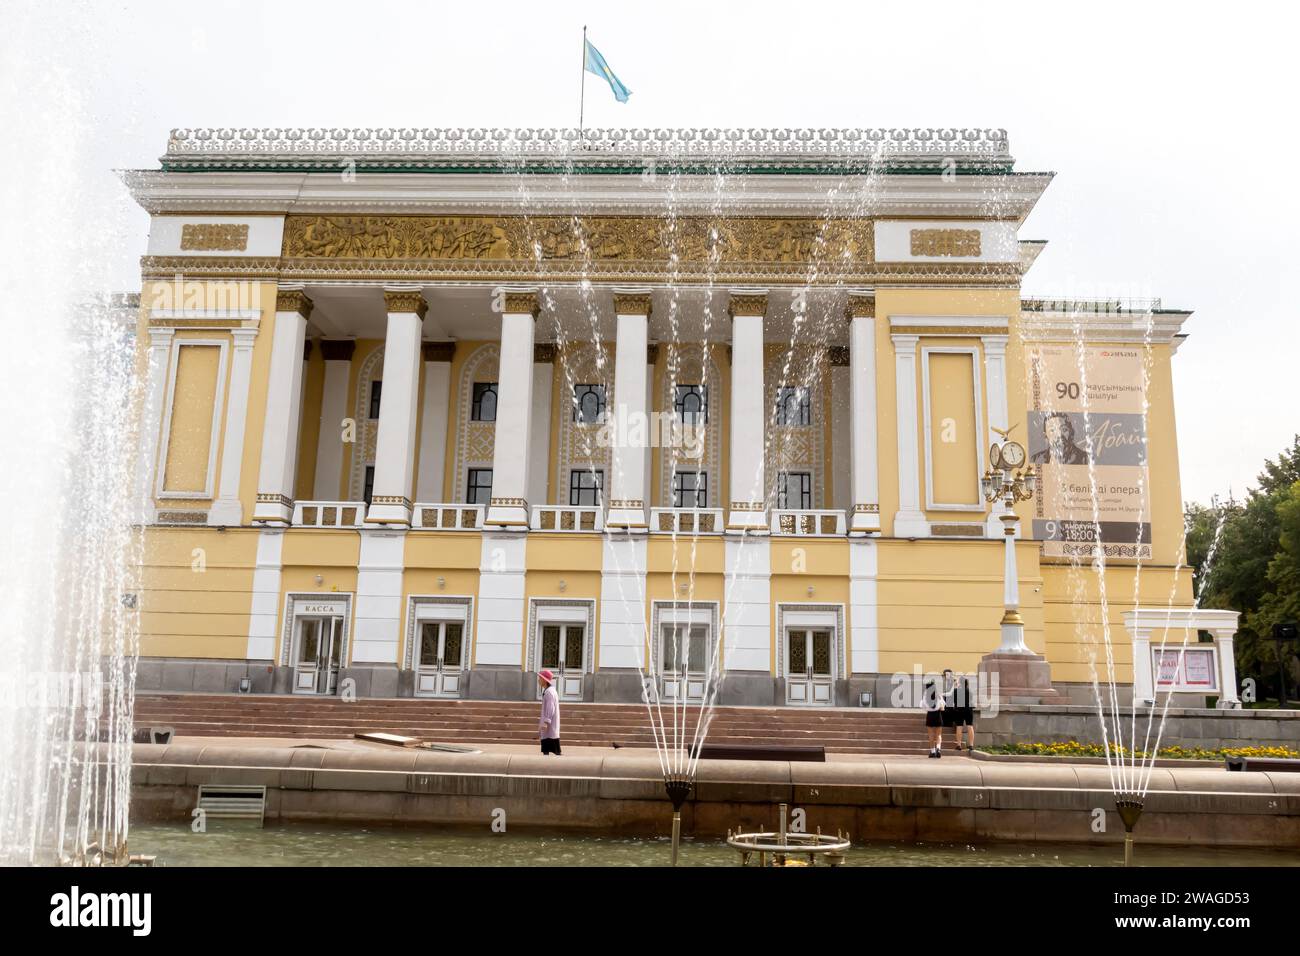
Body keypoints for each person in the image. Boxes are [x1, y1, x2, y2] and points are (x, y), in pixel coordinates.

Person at [538, 669, 561, 756]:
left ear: (544, 679)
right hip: (549, 725)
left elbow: (550, 708)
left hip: (549, 725)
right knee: (548, 747)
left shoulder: (549, 692)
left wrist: (546, 722)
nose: (538, 680)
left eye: (540, 678)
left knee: (552, 747)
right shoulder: (549, 691)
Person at [952, 672, 976, 752]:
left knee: (959, 727)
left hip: (959, 710)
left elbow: (953, 700)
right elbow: (971, 699)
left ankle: (958, 745)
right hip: (968, 710)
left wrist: (956, 685)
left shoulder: (956, 691)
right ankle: (971, 745)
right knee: (970, 726)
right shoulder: (970, 691)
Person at [922, 677, 945, 758]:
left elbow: (922, 705)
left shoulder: (925, 695)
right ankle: (938, 749)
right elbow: (943, 705)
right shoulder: (938, 694)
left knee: (931, 735)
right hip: (938, 714)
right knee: (938, 735)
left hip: (930, 715)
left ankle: (932, 752)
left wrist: (928, 709)